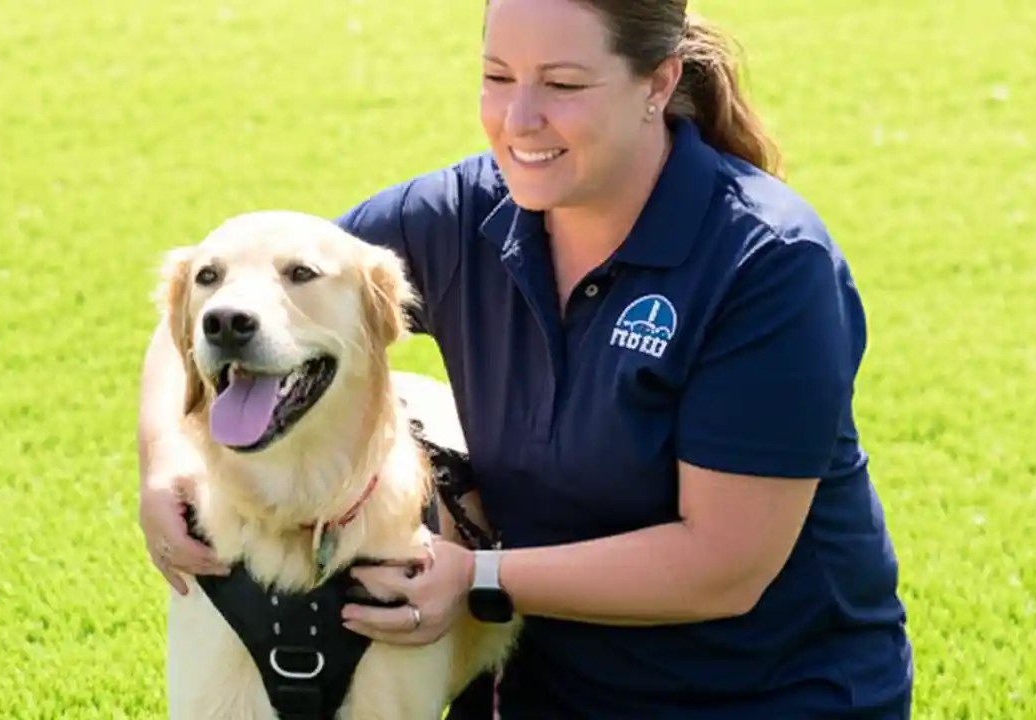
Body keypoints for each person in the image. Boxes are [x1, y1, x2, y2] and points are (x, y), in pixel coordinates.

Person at [136, 0, 915, 717]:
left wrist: (477, 580)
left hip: (769, 694)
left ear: (660, 82)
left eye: (564, 84)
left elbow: (724, 564)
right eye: (496, 77)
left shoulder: (767, 263)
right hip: (554, 692)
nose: (519, 118)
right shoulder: (458, 216)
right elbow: (233, 298)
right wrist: (165, 460)